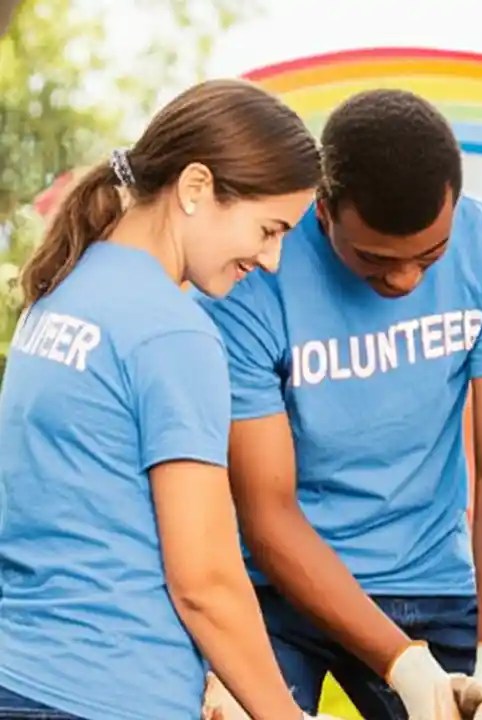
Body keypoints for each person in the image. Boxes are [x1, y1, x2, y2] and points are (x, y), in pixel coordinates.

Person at [196, 88, 482, 720]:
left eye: (429, 256)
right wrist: (404, 664)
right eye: (376, 259)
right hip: (278, 589)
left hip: (430, 577)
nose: (405, 280)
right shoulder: (252, 276)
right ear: (324, 209)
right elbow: (267, 512)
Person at [0, 79, 328, 719]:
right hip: (112, 693)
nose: (271, 259)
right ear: (196, 188)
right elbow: (204, 579)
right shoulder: (174, 332)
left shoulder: (62, 293)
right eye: (268, 229)